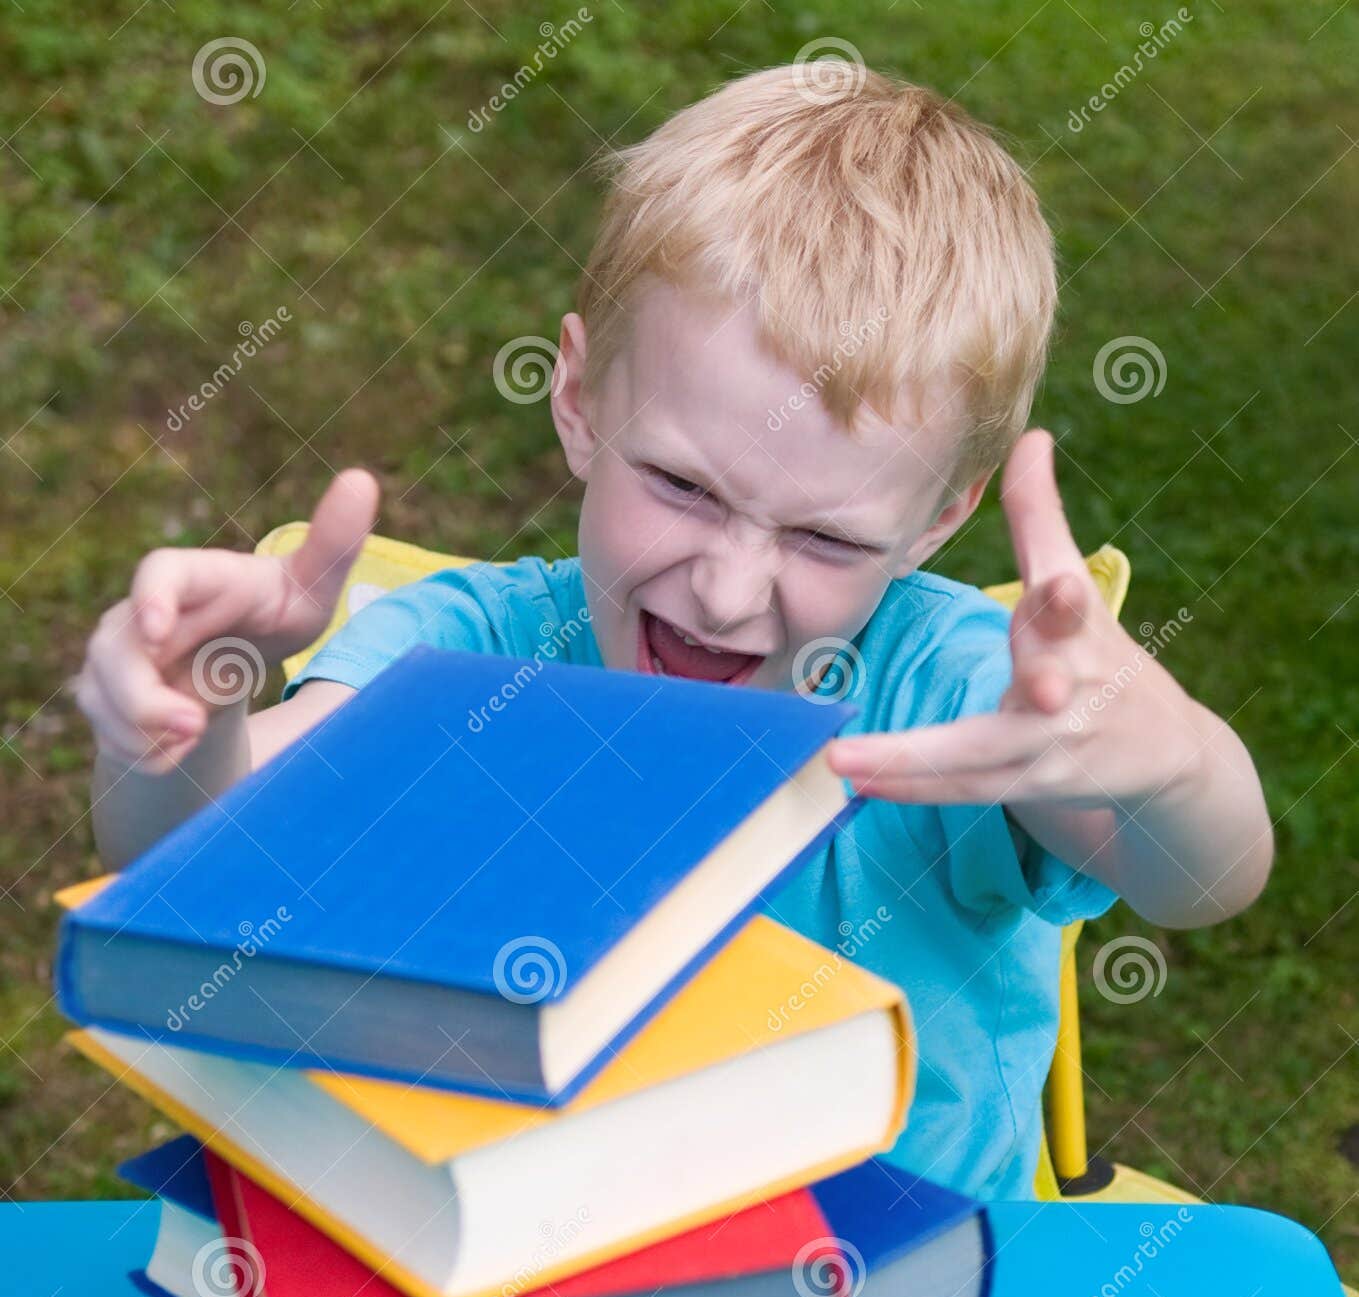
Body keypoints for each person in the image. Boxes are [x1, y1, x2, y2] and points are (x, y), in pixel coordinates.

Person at [74, 64, 1272, 1200]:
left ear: (938, 519)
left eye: (828, 540)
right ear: (581, 400)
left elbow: (1201, 880)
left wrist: (1175, 765)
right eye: (686, 488)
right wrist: (175, 736)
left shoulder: (955, 695)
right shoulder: (468, 658)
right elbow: (215, 849)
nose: (731, 592)